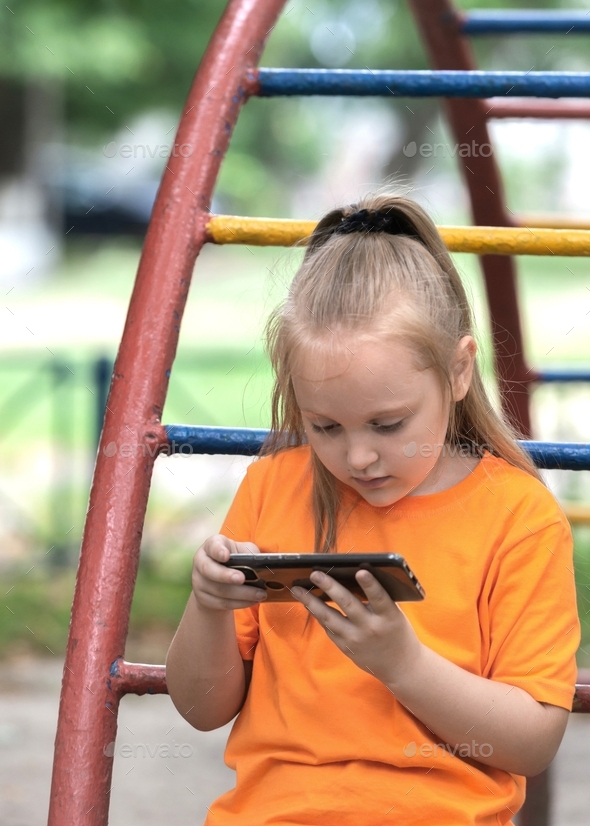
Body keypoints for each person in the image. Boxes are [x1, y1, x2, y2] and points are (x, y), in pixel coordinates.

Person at [165, 193, 580, 826]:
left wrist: (401, 664)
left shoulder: (517, 518)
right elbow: (201, 708)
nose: (358, 457)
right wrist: (209, 605)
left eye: (388, 424)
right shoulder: (273, 487)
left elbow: (531, 743)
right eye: (325, 426)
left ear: (459, 370)